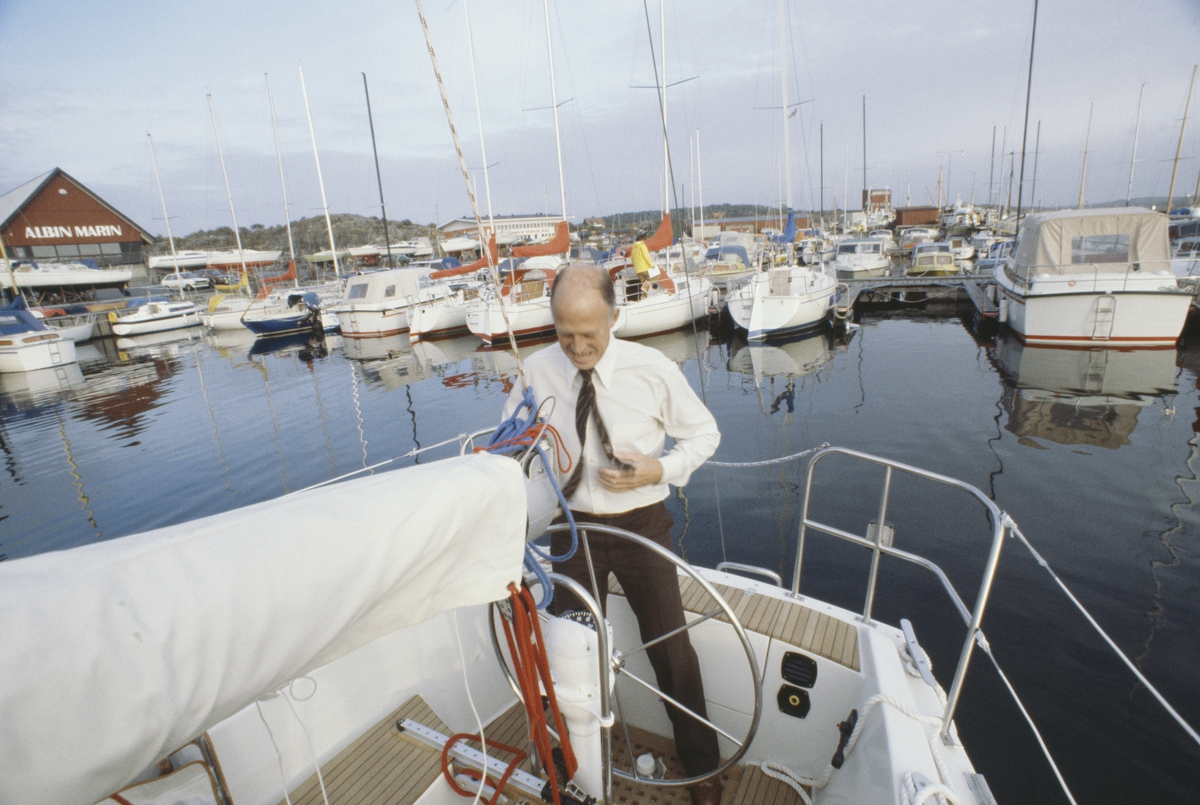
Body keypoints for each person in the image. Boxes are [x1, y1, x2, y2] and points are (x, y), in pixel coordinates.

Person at [500, 263, 723, 805]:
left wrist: (660, 469)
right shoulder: (534, 370)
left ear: (615, 318)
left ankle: (704, 773)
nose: (577, 348)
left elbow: (705, 433)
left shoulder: (652, 369)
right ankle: (571, 761)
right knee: (569, 648)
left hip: (642, 523)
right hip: (570, 529)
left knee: (672, 651)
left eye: (590, 335)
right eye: (564, 334)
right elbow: (511, 447)